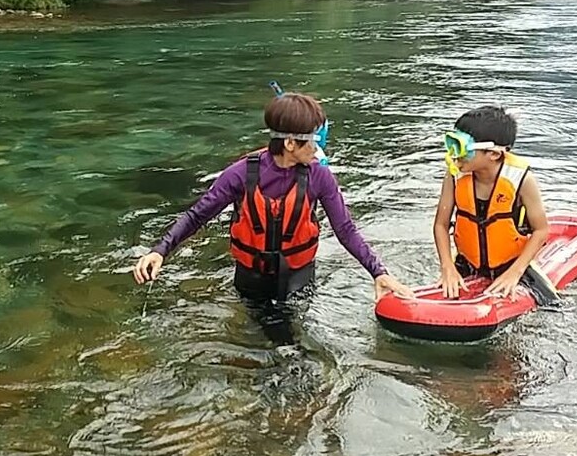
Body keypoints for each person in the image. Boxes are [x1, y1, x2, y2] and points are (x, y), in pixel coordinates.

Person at [132, 91, 413, 305]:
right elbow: (198, 216)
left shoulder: (319, 176)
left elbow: (345, 229)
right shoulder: (240, 174)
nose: (317, 149)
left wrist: (379, 272)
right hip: (251, 281)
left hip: (299, 282)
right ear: (290, 143)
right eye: (314, 140)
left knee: (291, 347)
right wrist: (160, 251)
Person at [432, 105, 552, 301]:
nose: (454, 154)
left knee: (553, 306)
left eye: (461, 147)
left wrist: (515, 273)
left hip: (511, 264)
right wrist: (447, 267)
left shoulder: (521, 180)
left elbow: (541, 230)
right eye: (451, 144)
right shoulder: (455, 175)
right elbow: (440, 224)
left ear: (494, 153)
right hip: (467, 263)